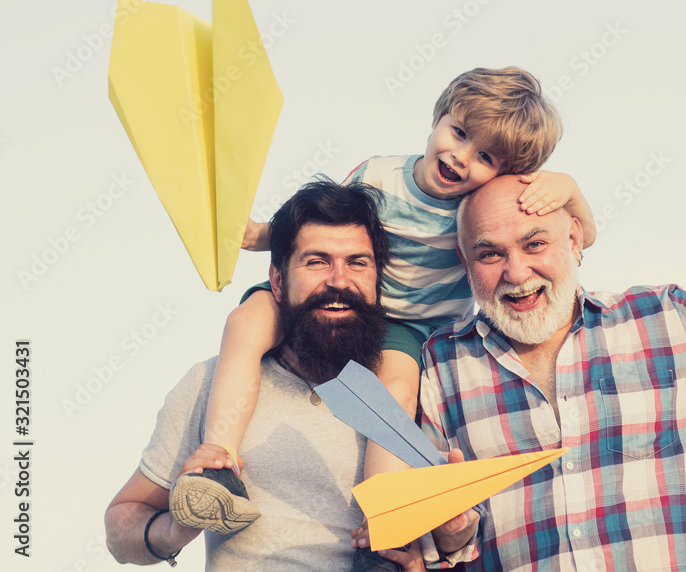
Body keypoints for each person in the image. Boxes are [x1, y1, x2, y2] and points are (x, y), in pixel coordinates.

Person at [169, 67, 597, 570]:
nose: (461, 158)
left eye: (485, 157)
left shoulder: (478, 209)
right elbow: (323, 222)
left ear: (502, 173)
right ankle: (218, 461)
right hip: (334, 296)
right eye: (458, 133)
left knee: (394, 393)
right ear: (438, 117)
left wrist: (567, 188)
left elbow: (582, 235)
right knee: (246, 321)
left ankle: (383, 523)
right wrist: (263, 233)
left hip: (406, 327)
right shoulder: (377, 175)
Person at [415, 117, 686, 570]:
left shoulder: (664, 319)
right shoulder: (438, 367)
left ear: (574, 240)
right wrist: (451, 534)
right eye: (490, 254)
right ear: (465, 260)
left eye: (534, 244)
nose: (517, 273)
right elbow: (433, 546)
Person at [105, 179, 438, 570]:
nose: (338, 280)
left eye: (357, 263)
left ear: (378, 282)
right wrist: (174, 530)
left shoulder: (420, 394)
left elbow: (458, 542)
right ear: (277, 281)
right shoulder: (212, 384)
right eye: (317, 262)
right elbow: (120, 526)